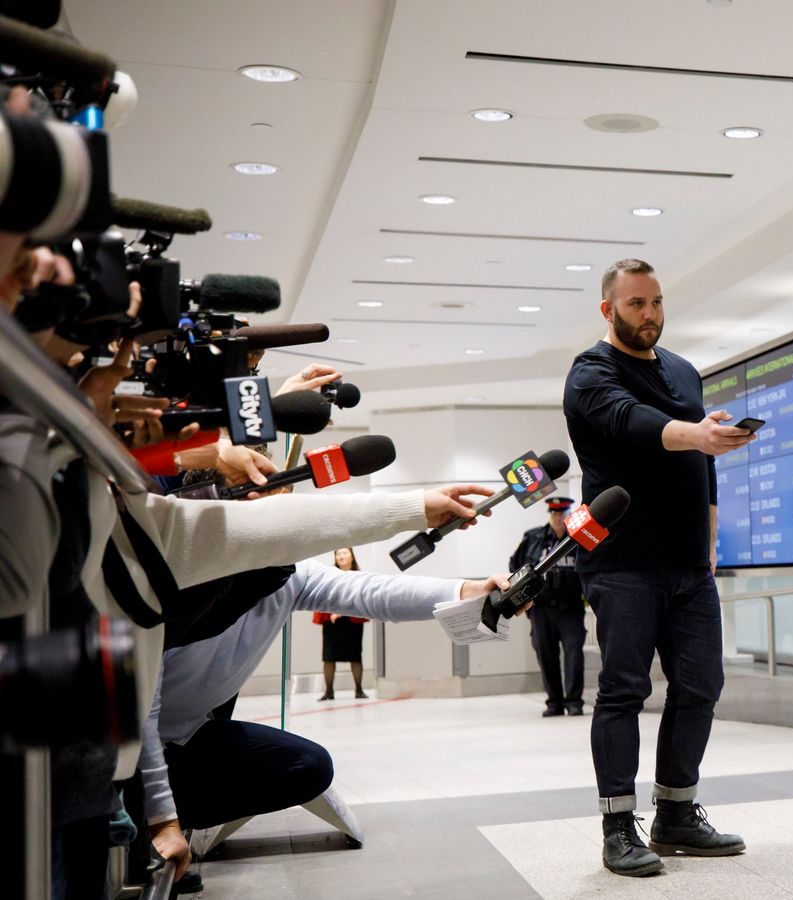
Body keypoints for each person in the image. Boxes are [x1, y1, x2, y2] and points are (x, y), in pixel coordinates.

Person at [140, 560, 515, 882]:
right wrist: (162, 820)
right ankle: (144, 825)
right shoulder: (184, 575)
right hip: (125, 743)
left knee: (307, 767)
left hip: (188, 734)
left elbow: (371, 591)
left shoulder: (287, 573)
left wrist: (465, 589)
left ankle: (173, 818)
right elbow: (141, 711)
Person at [562, 258, 755, 877]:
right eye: (637, 304)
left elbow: (703, 462)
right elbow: (631, 422)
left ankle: (676, 813)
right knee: (623, 690)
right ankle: (618, 825)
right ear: (608, 310)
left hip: (689, 564)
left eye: (657, 303)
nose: (650, 315)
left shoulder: (683, 369)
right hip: (622, 564)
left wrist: (712, 531)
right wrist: (692, 435)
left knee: (701, 686)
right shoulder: (590, 373)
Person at [510, 496, 588, 717]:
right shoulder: (534, 538)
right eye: (554, 513)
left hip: (571, 607)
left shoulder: (579, 539)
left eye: (562, 513)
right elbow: (516, 566)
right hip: (541, 608)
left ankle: (574, 702)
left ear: (568, 514)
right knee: (546, 654)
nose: (558, 517)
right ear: (550, 514)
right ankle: (554, 702)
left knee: (574, 654)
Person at [317, 547, 369, 701]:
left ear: (352, 556)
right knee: (329, 657)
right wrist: (333, 612)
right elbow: (325, 597)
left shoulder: (359, 575)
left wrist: (343, 612)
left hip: (352, 621)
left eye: (345, 553)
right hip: (332, 622)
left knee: (355, 656)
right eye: (338, 553)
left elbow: (361, 597)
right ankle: (329, 692)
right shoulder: (330, 575)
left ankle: (359, 690)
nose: (341, 556)